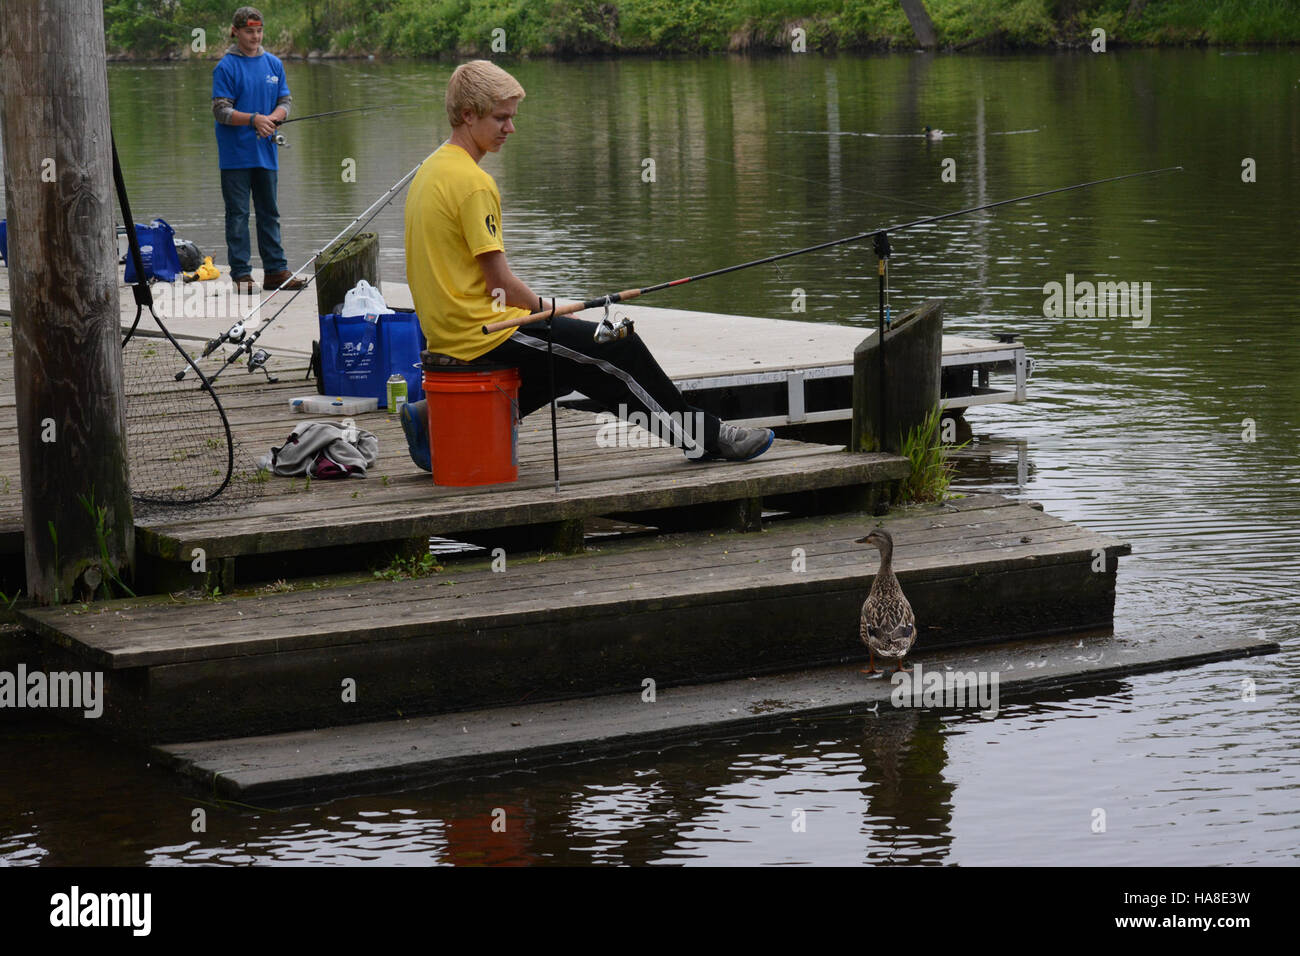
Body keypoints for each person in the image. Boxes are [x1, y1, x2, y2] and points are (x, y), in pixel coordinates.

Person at [400, 60, 773, 472]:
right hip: (481, 333)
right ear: (467, 115)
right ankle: (705, 439)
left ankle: (434, 421)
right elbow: (498, 283)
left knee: (579, 362)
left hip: (448, 331)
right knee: (617, 346)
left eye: (512, 118)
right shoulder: (473, 183)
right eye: (501, 118)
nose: (510, 129)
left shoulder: (430, 169)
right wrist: (550, 307)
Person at [211, 6, 305, 293]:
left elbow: (285, 101)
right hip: (235, 156)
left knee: (269, 213)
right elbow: (221, 111)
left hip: (266, 153)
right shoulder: (226, 66)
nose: (255, 36)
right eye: (249, 31)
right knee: (238, 215)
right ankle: (241, 274)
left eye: (259, 31)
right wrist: (254, 119)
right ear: (236, 31)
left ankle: (276, 271)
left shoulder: (274, 64)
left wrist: (275, 118)